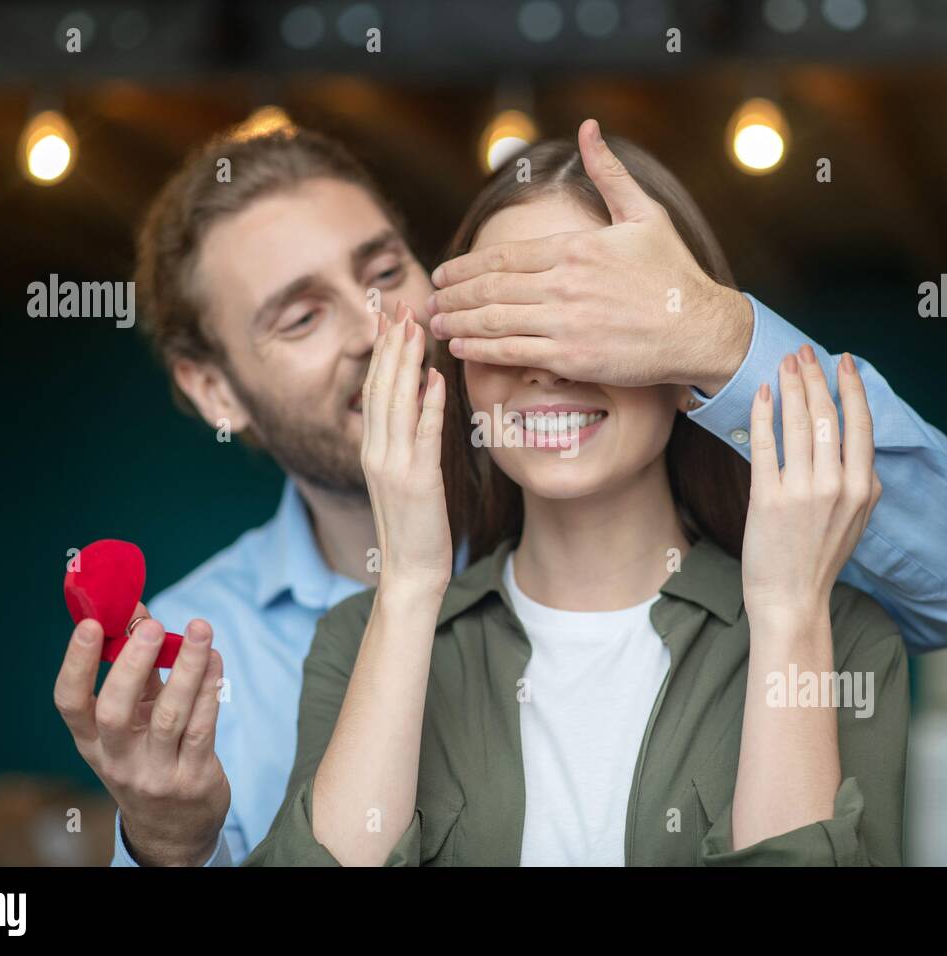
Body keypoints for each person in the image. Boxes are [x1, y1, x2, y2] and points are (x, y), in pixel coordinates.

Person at [52, 120, 947, 867]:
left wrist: (715, 333)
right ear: (213, 388)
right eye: (301, 315)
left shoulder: (823, 622)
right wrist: (169, 841)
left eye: (389, 274)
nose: (376, 328)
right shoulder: (317, 642)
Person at [246, 136, 907, 866]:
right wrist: (406, 587)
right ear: (458, 366)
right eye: (507, 319)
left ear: (685, 361)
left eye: (589, 319)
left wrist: (787, 615)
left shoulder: (841, 639)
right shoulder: (356, 641)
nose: (547, 364)